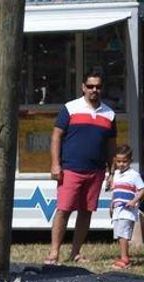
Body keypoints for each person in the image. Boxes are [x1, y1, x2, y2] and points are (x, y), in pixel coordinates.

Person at [47, 69, 117, 265]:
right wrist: (55, 164)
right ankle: (53, 253)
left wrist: (111, 173)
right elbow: (56, 136)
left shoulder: (110, 114)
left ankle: (75, 253)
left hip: (96, 172)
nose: (94, 90)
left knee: (86, 212)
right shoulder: (70, 108)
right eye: (90, 86)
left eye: (98, 87)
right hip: (70, 169)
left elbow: (111, 146)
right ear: (83, 87)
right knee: (63, 210)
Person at [105, 144, 142, 269]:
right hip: (118, 210)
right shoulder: (116, 174)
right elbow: (116, 192)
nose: (121, 164)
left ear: (130, 161)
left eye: (124, 161)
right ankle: (123, 256)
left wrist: (134, 200)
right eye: (119, 161)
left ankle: (125, 259)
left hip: (127, 210)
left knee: (124, 234)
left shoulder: (134, 175)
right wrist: (112, 205)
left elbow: (142, 189)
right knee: (119, 234)